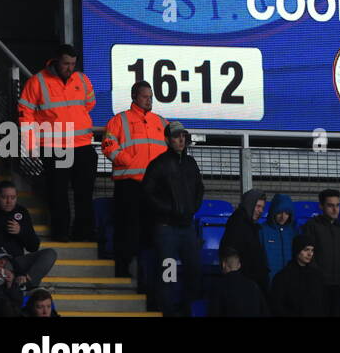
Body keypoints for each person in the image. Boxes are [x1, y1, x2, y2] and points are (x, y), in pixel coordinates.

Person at [19, 45, 96, 242]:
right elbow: (25, 114)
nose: (69, 67)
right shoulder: (38, 81)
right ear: (55, 61)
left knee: (84, 193)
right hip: (54, 146)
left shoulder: (82, 79)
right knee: (58, 193)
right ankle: (61, 232)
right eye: (65, 63)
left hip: (82, 145)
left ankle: (83, 232)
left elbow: (89, 104)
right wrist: (31, 144)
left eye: (73, 63)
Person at [100, 80, 167, 277]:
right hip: (128, 184)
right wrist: (127, 161)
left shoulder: (161, 122)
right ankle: (122, 271)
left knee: (151, 230)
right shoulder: (119, 120)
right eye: (145, 96)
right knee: (126, 229)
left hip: (155, 186)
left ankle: (146, 274)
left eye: (151, 97)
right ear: (134, 97)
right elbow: (108, 145)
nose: (149, 100)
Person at [139, 121, 204, 316]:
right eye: (176, 136)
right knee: (169, 274)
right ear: (167, 140)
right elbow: (147, 195)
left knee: (194, 271)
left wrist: (192, 208)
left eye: (183, 136)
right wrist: (170, 210)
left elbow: (199, 188)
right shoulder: (158, 164)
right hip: (166, 229)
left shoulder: (191, 163)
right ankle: (167, 311)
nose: (181, 139)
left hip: (186, 228)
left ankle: (186, 310)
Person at [0, 180, 56, 287]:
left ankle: (25, 283)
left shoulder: (22, 212)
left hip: (16, 262)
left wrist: (21, 232)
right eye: (4, 197)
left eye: (13, 198)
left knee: (50, 254)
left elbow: (33, 246)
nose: (9, 201)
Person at [302, 188, 340, 311]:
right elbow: (307, 255)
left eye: (337, 205)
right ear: (321, 206)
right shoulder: (312, 226)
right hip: (319, 285)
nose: (335, 209)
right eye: (330, 206)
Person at [220, 189, 269, 296]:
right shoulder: (239, 224)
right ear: (250, 204)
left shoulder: (248, 224)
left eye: (262, 207)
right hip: (244, 285)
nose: (261, 210)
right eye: (258, 206)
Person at [269, 234, 327, 316]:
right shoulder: (282, 277)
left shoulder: (317, 275)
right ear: (297, 250)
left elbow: (321, 304)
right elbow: (277, 306)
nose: (310, 254)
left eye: (312, 250)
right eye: (306, 250)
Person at [207, 249, 269, 317]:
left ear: (223, 264)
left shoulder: (218, 286)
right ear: (239, 265)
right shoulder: (253, 285)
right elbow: (265, 312)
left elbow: (213, 313)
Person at [258, 193, 298, 287]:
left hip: (290, 283)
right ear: (273, 212)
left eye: (287, 213)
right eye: (279, 212)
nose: (283, 217)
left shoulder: (294, 232)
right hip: (269, 283)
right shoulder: (262, 231)